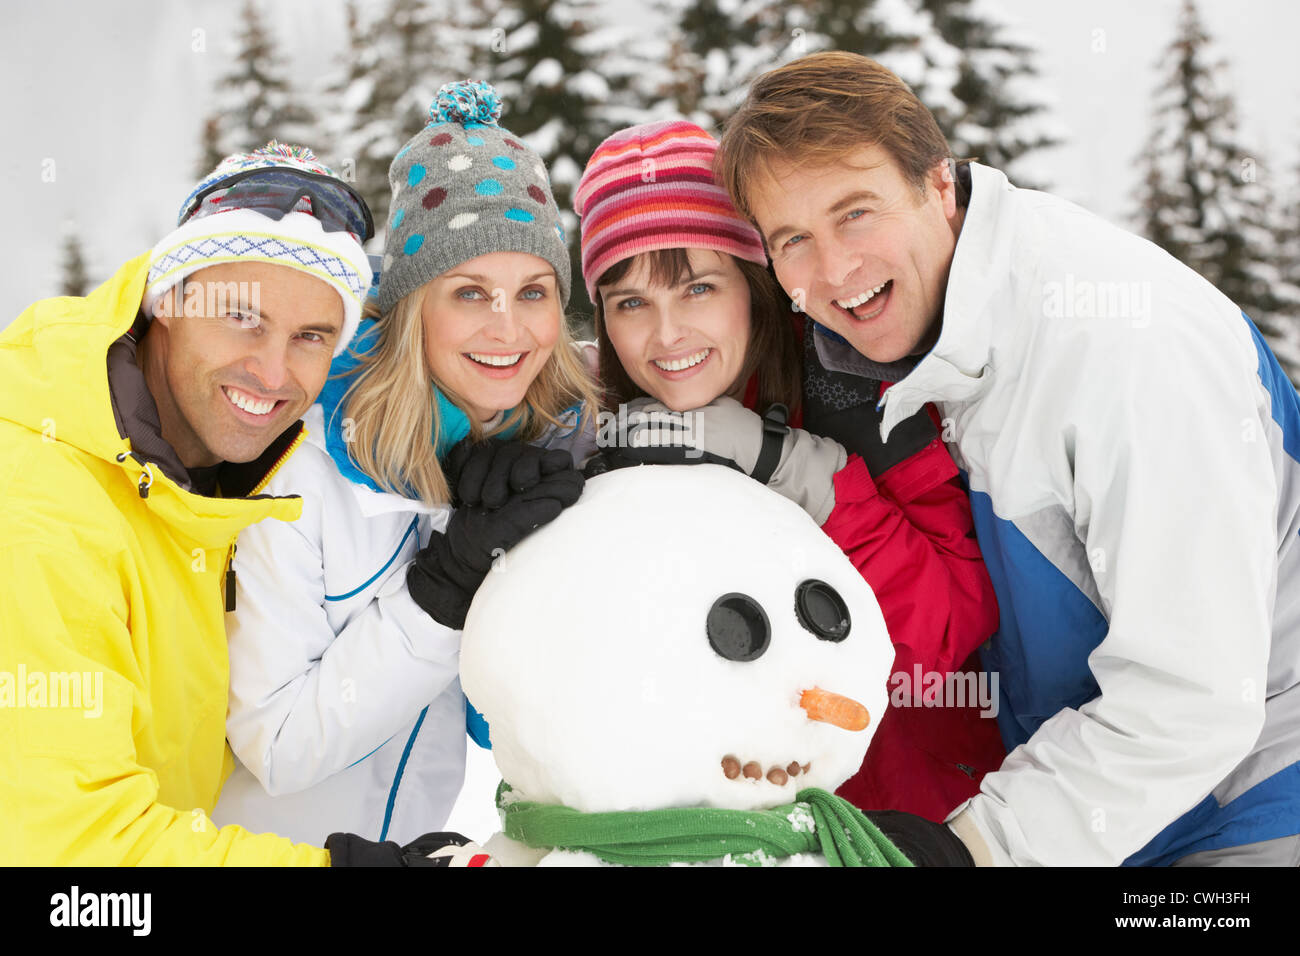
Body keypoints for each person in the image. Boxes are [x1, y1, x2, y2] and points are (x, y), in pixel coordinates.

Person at [715, 50, 1300, 866]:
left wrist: (982, 844)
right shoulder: (902, 338)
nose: (834, 270)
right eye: (793, 240)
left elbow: (1197, 698)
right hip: (1097, 808)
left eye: (856, 213)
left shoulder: (1119, 352)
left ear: (939, 184)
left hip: (1252, 802)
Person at [574, 119, 1004, 825]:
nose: (668, 335)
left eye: (699, 290)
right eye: (631, 304)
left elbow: (948, 627)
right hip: (720, 819)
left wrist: (791, 467)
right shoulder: (601, 426)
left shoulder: (851, 381)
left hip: (909, 818)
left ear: (752, 282)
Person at [212, 81, 598, 855]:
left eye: (533, 292)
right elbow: (276, 745)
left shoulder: (545, 448)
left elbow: (508, 720)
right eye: (469, 293)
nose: (507, 326)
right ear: (414, 308)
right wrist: (443, 593)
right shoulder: (306, 471)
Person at [0, 143, 383, 864]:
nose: (273, 372)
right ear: (167, 300)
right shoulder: (37, 509)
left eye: (310, 337)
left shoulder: (213, 487)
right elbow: (66, 854)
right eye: (242, 316)